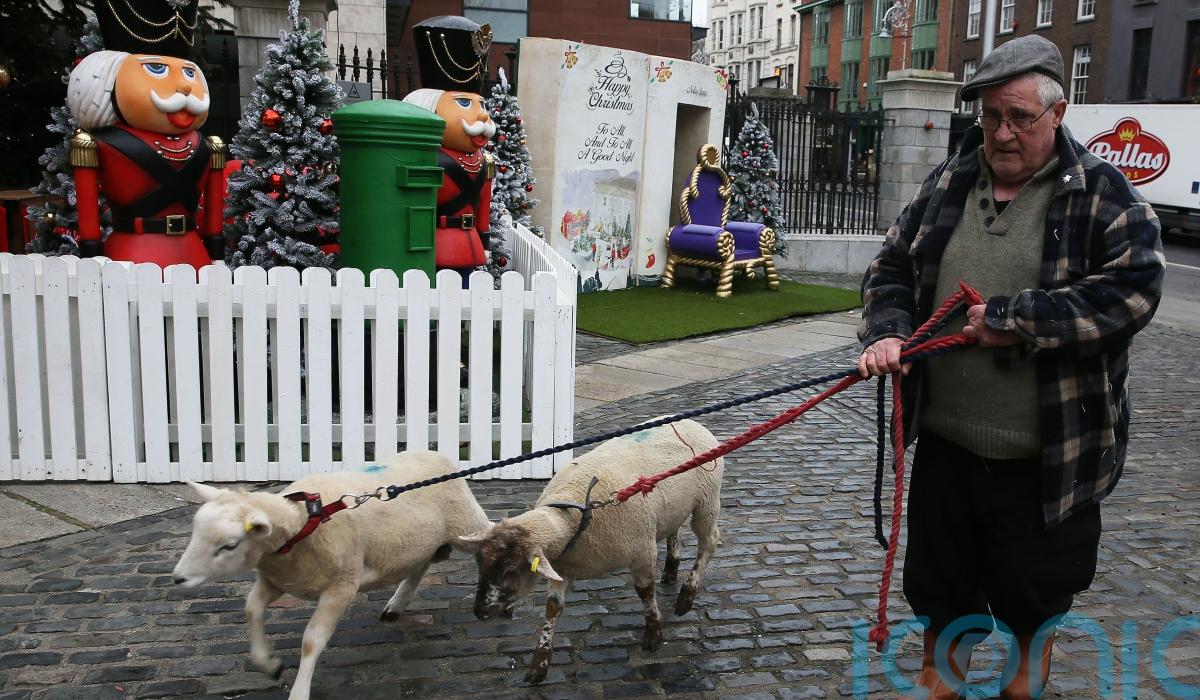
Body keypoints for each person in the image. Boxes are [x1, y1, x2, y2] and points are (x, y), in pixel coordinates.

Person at [857, 35, 1164, 699]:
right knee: (942, 610)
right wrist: (889, 330)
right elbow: (891, 264)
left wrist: (1015, 320)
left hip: (1046, 467)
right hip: (947, 454)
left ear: (1058, 113)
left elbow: (1135, 290)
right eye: (991, 116)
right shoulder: (950, 180)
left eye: (1019, 117)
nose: (1001, 133)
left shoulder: (1101, 194)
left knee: (1033, 620)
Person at [65, 0, 226, 270]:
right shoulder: (100, 144)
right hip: (133, 254)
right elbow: (88, 207)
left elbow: (213, 208)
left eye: (189, 72)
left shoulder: (207, 145)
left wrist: (215, 252)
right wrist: (91, 257)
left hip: (195, 254)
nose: (185, 86)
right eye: (156, 69)